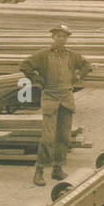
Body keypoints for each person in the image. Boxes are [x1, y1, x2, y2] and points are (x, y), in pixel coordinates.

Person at [20, 24, 93, 186]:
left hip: (66, 98)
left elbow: (87, 66)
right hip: (50, 98)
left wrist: (78, 76)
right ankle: (39, 171)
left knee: (64, 136)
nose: (61, 39)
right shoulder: (43, 55)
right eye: (58, 36)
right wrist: (37, 79)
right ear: (53, 37)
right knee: (48, 137)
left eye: (64, 36)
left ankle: (57, 169)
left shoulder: (72, 56)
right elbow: (25, 66)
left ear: (67, 38)